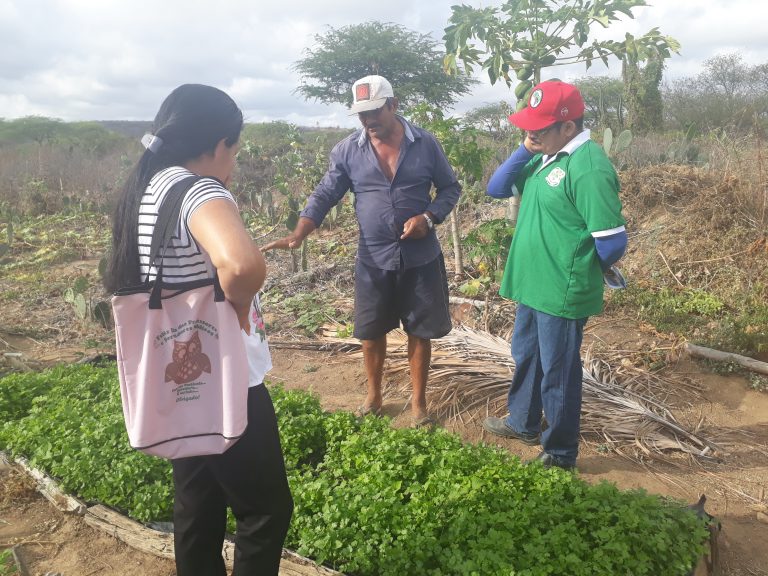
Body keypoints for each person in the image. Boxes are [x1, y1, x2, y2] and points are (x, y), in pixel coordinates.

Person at [103, 84, 293, 575]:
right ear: (218, 145)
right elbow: (243, 265)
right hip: (225, 379)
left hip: (180, 378)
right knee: (265, 510)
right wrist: (239, 307)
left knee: (197, 504)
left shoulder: (147, 188)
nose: (233, 162)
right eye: (235, 149)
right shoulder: (199, 187)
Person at [263, 75, 461, 427]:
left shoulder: (426, 144)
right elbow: (326, 194)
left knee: (419, 332)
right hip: (373, 258)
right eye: (361, 114)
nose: (368, 120)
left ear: (393, 105)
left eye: (374, 112)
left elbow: (449, 189)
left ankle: (418, 404)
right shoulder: (347, 151)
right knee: (370, 333)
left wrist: (429, 218)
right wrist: (300, 232)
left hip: (420, 258)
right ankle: (374, 396)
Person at [482, 81, 627, 471]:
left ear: (569, 126)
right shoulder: (546, 155)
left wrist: (575, 267)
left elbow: (611, 242)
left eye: (540, 127)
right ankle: (524, 423)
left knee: (558, 373)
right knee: (526, 355)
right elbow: (496, 189)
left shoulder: (588, 165)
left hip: (560, 289)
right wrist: (525, 147)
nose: (532, 133)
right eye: (529, 126)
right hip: (532, 283)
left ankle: (560, 453)